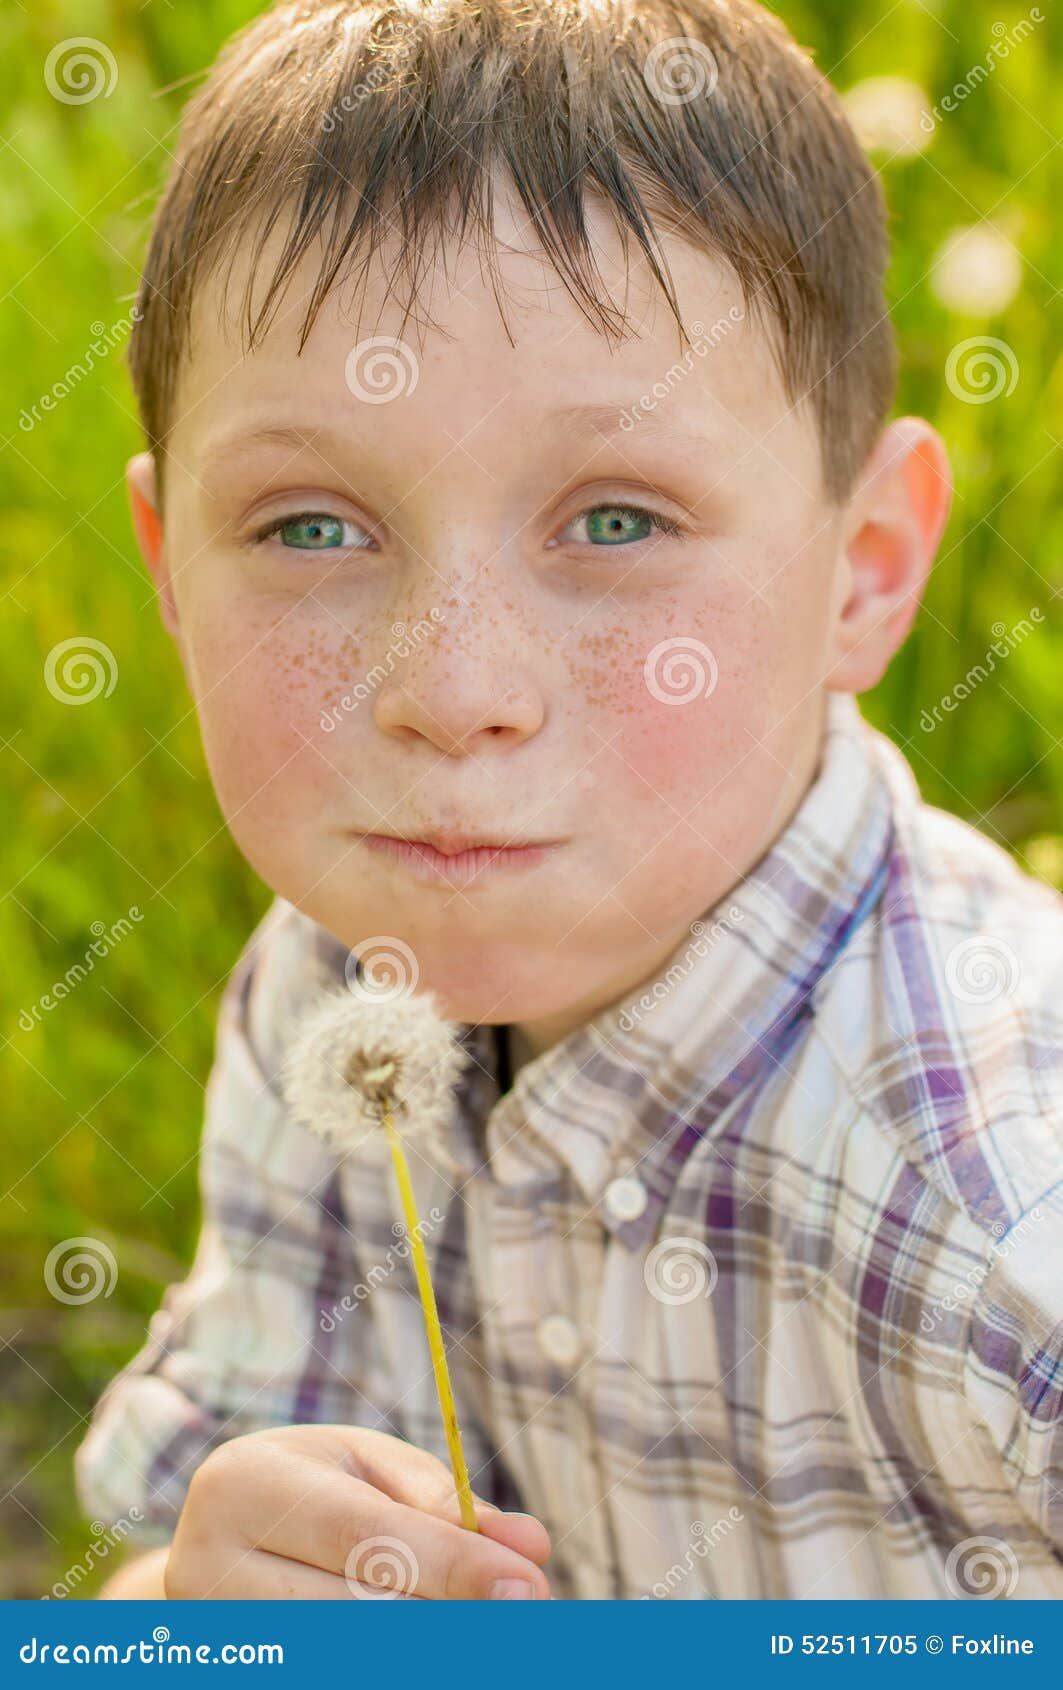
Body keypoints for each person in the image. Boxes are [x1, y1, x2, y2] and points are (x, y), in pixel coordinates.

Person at [75, 0, 1063, 1600]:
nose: (453, 689)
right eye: (312, 529)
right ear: (167, 569)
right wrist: (198, 1608)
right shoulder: (340, 991)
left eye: (616, 518)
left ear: (866, 571)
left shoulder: (1008, 1218)